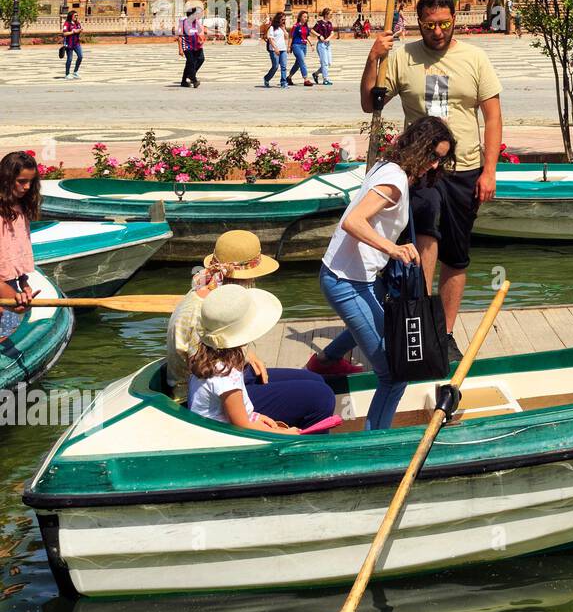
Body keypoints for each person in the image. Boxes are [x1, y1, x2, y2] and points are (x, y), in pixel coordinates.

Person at [361, 0, 502, 339]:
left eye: (444, 24)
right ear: (418, 23)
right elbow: (369, 104)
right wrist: (373, 58)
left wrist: (489, 171)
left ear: (455, 19)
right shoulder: (402, 57)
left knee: (455, 255)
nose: (437, 32)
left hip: (464, 169)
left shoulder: (475, 58)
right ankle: (419, 324)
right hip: (420, 171)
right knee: (423, 242)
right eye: (429, 25)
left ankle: (446, 333)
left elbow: (493, 117)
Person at [317, 117, 456, 432]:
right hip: (346, 282)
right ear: (419, 148)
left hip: (355, 278)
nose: (435, 166)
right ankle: (375, 441)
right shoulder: (393, 182)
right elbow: (353, 221)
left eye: (441, 159)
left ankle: (325, 361)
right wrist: (392, 250)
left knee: (382, 324)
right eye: (433, 156)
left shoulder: (387, 167)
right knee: (395, 372)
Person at [164, 229, 337, 426]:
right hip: (204, 396)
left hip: (227, 373)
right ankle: (297, 448)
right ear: (243, 278)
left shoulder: (211, 290)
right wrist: (249, 418)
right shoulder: (203, 312)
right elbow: (209, 373)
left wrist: (247, 355)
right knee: (320, 397)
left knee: (315, 380)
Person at [187, 285, 313, 436]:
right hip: (221, 436)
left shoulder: (208, 359)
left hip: (218, 426)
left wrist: (256, 416)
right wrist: (285, 434)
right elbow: (242, 425)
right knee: (318, 398)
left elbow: (234, 414)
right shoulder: (225, 375)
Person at [0, 151, 38, 344]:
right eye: (21, 181)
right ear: (7, 179)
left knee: (11, 331)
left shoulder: (19, 208)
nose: (27, 187)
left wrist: (23, 284)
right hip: (3, 291)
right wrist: (14, 302)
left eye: (31, 181)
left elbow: (16, 254)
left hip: (11, 288)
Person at [178, 6, 206, 88]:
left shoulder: (196, 22)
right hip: (187, 46)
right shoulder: (182, 23)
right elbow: (179, 37)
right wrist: (180, 49)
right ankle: (194, 79)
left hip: (197, 46)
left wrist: (202, 39)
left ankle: (185, 80)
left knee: (201, 59)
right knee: (190, 62)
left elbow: (201, 31)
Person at [287, 10, 315, 87]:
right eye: (304, 17)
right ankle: (306, 79)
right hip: (296, 45)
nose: (306, 18)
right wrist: (289, 47)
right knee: (302, 61)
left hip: (304, 46)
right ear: (300, 17)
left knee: (298, 63)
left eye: (307, 17)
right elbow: (291, 37)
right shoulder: (295, 26)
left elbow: (307, 36)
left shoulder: (305, 27)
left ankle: (289, 78)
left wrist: (311, 44)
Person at [262, 11, 289, 88]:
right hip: (274, 49)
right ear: (278, 19)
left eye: (285, 20)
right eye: (282, 20)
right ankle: (266, 78)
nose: (284, 21)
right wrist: (275, 48)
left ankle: (283, 82)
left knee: (284, 66)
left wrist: (284, 29)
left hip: (283, 49)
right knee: (275, 66)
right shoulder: (272, 27)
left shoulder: (282, 28)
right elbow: (270, 39)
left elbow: (287, 37)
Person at [311, 8, 335, 85]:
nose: (331, 16)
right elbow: (312, 30)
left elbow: (332, 33)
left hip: (328, 44)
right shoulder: (319, 23)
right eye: (330, 14)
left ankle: (316, 74)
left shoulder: (329, 23)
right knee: (324, 62)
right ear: (326, 15)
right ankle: (325, 79)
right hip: (321, 45)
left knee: (329, 63)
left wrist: (328, 39)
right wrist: (319, 35)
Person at [61, 7, 83, 78]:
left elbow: (80, 29)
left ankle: (75, 72)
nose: (76, 17)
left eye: (77, 16)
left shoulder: (77, 23)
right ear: (71, 16)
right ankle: (67, 74)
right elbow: (64, 33)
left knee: (80, 56)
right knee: (69, 59)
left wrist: (79, 30)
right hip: (69, 43)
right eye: (75, 16)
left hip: (76, 43)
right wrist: (72, 32)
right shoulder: (67, 24)